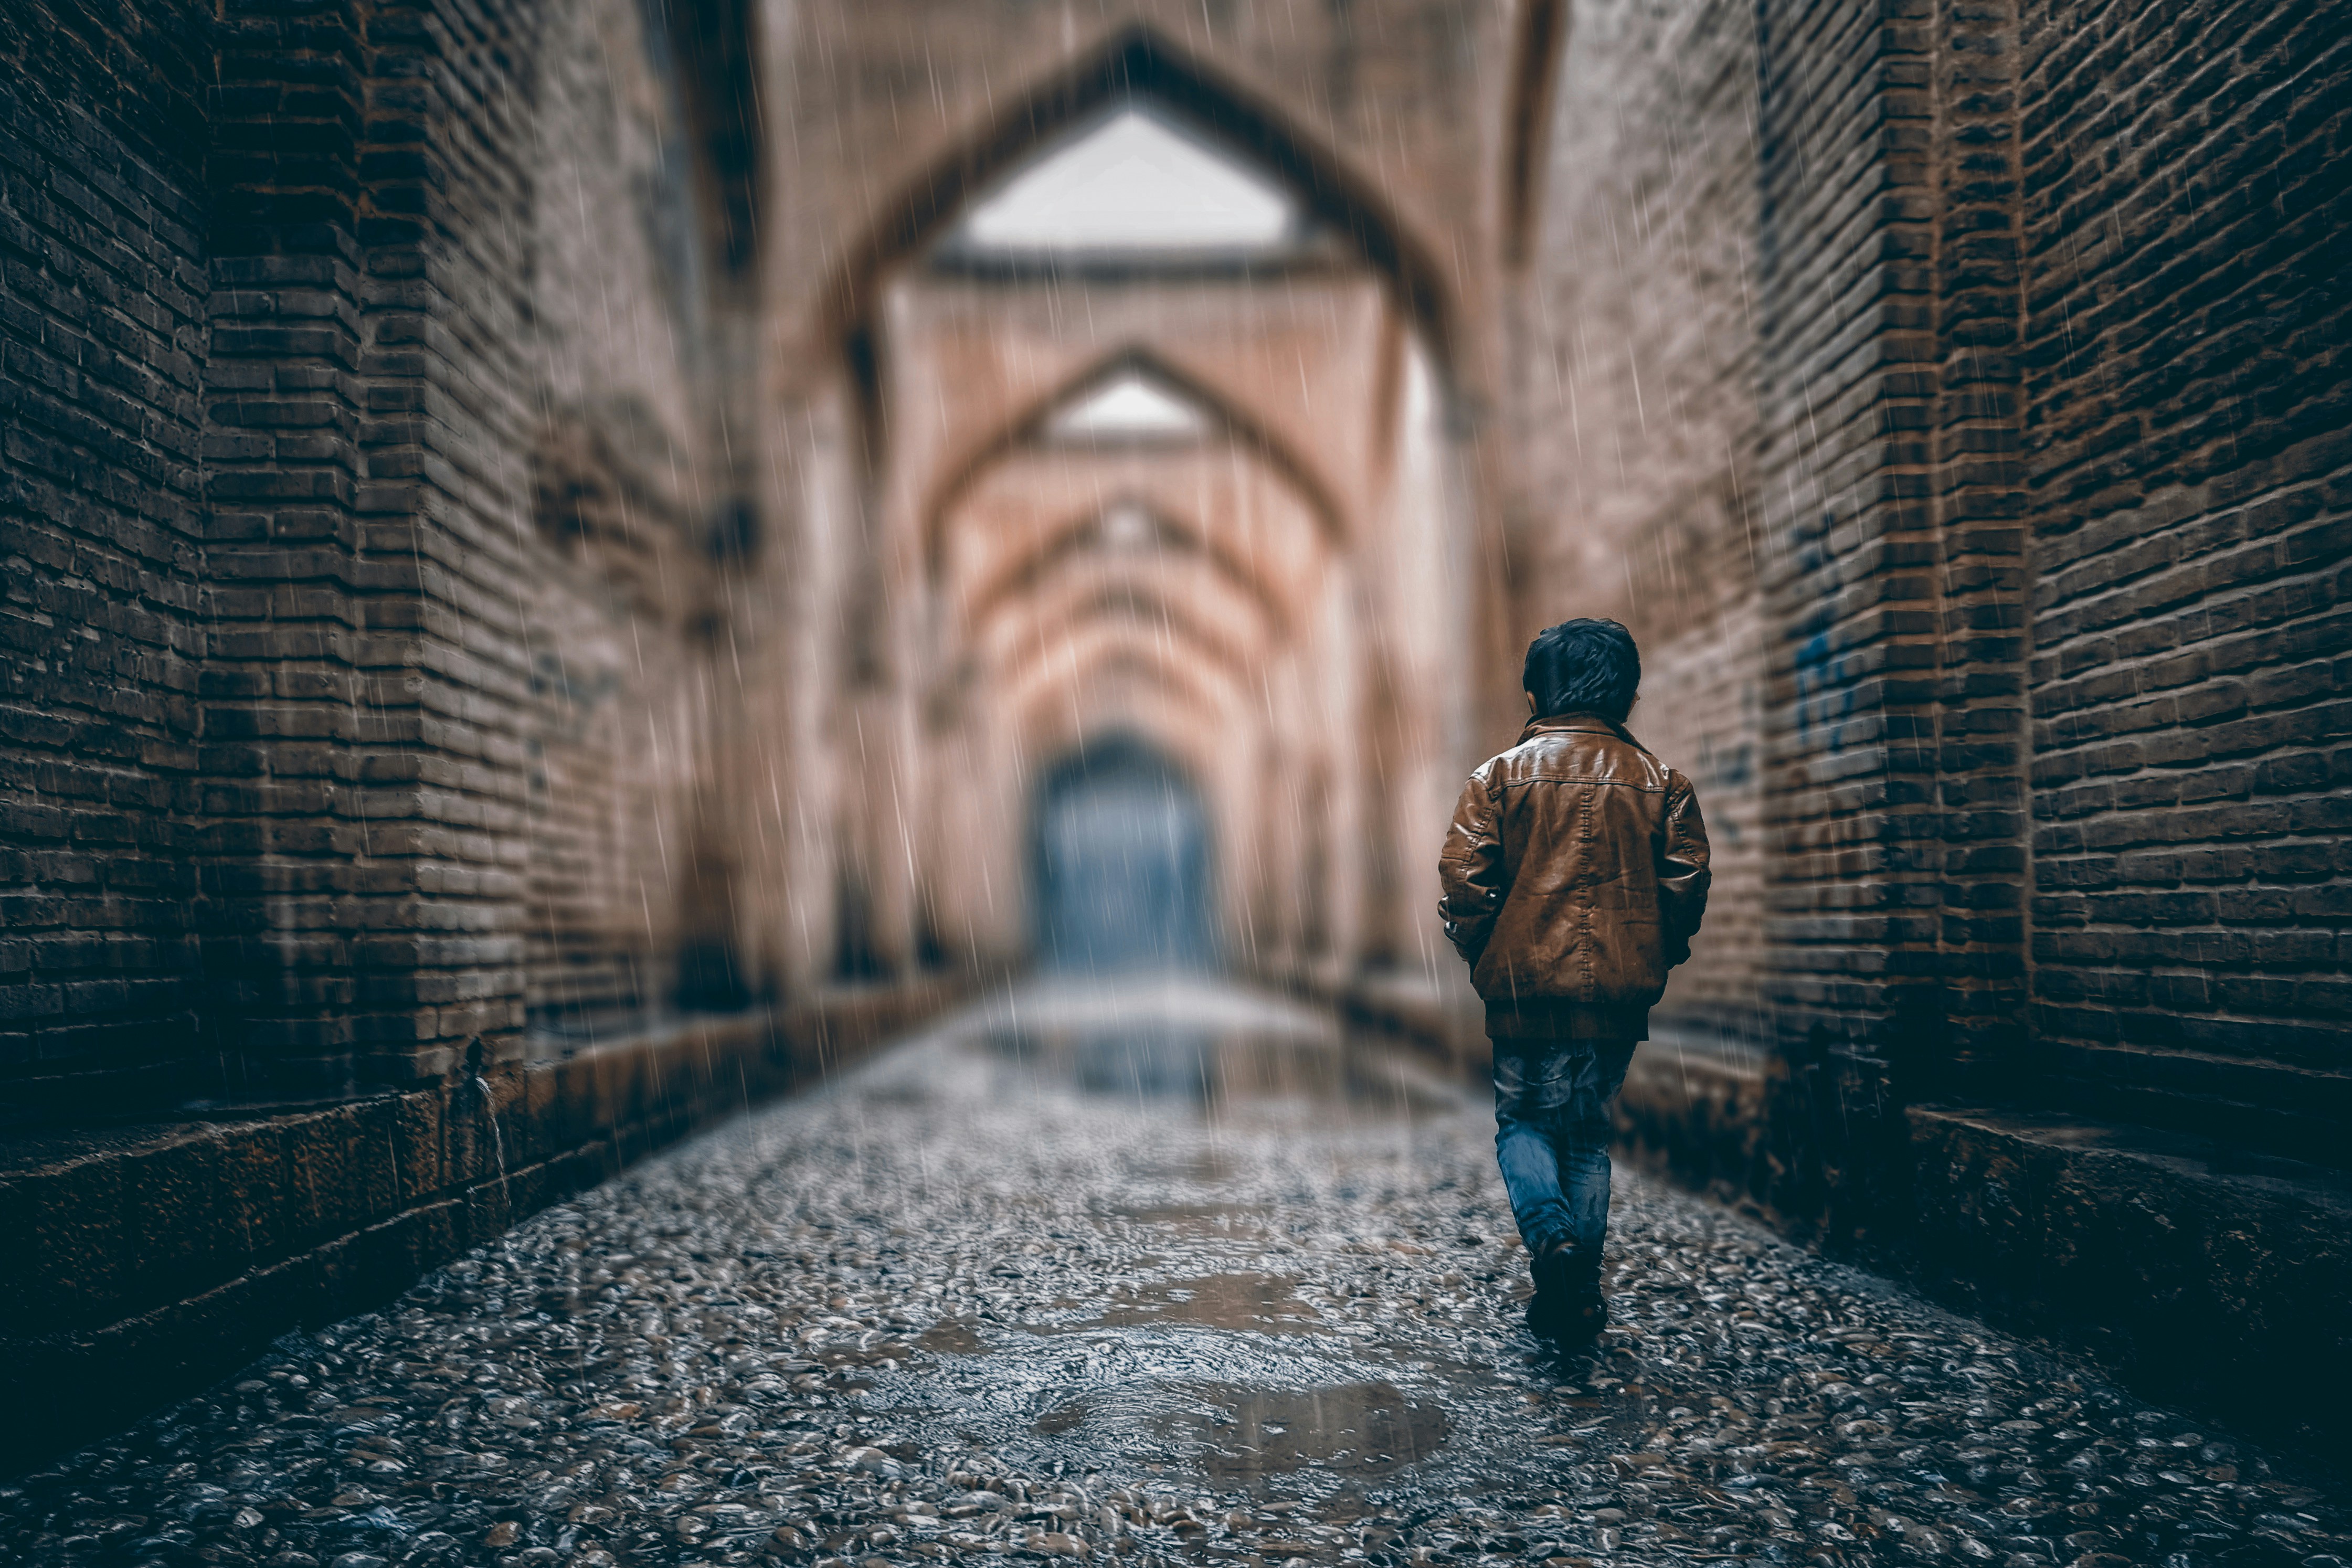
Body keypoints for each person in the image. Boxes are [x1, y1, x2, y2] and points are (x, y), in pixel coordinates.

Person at [1437, 618, 1710, 1344]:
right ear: (1626, 695)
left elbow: (1464, 883)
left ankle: (1552, 1244)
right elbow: (1684, 885)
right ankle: (1578, 1291)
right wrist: (1652, 955)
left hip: (1523, 991)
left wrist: (1487, 954)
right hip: (1617, 995)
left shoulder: (1496, 777)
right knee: (1587, 1136)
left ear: (1536, 692)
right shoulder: (1662, 784)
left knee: (1524, 1120)